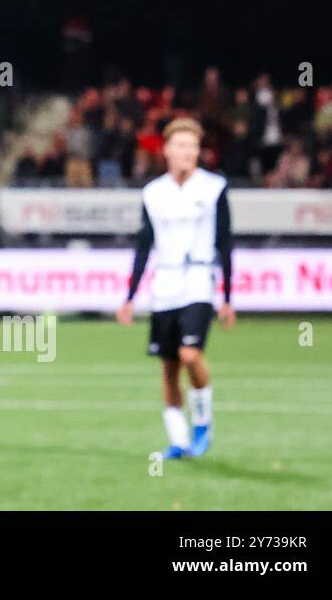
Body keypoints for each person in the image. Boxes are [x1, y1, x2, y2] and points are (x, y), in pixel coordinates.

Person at [116, 118, 235, 458]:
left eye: (192, 146)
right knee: (168, 367)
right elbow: (144, 245)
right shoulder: (153, 193)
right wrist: (129, 297)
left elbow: (225, 242)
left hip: (198, 281)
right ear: (166, 150)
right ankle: (178, 441)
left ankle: (203, 422)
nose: (187, 152)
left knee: (190, 354)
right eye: (180, 145)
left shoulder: (214, 188)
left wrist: (228, 297)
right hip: (164, 285)